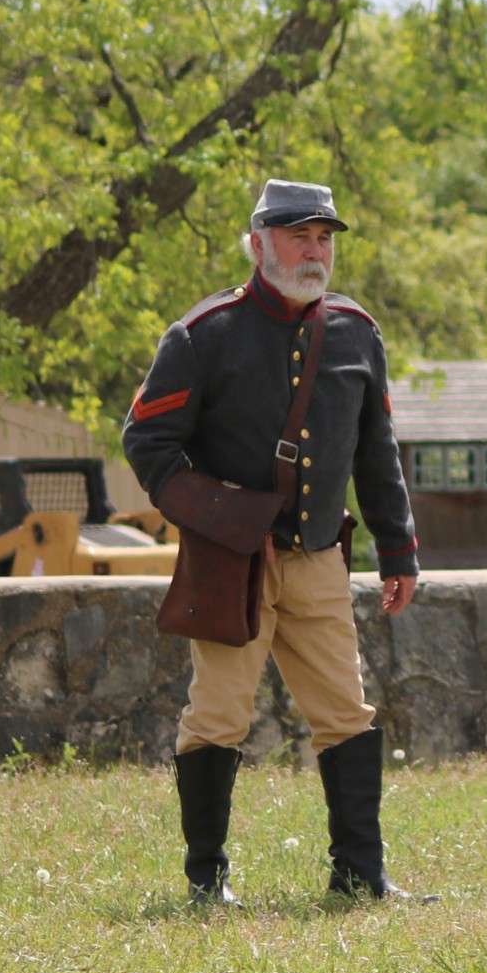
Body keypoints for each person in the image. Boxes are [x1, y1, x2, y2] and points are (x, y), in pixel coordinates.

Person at [123, 179, 424, 906]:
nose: (314, 251)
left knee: (347, 715)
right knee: (219, 715)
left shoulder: (357, 330)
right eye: (298, 236)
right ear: (259, 244)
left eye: (324, 237)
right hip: (231, 566)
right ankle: (206, 879)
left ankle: (360, 875)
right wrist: (214, 515)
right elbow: (147, 439)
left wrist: (399, 548)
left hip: (320, 557)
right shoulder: (203, 334)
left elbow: (376, 451)